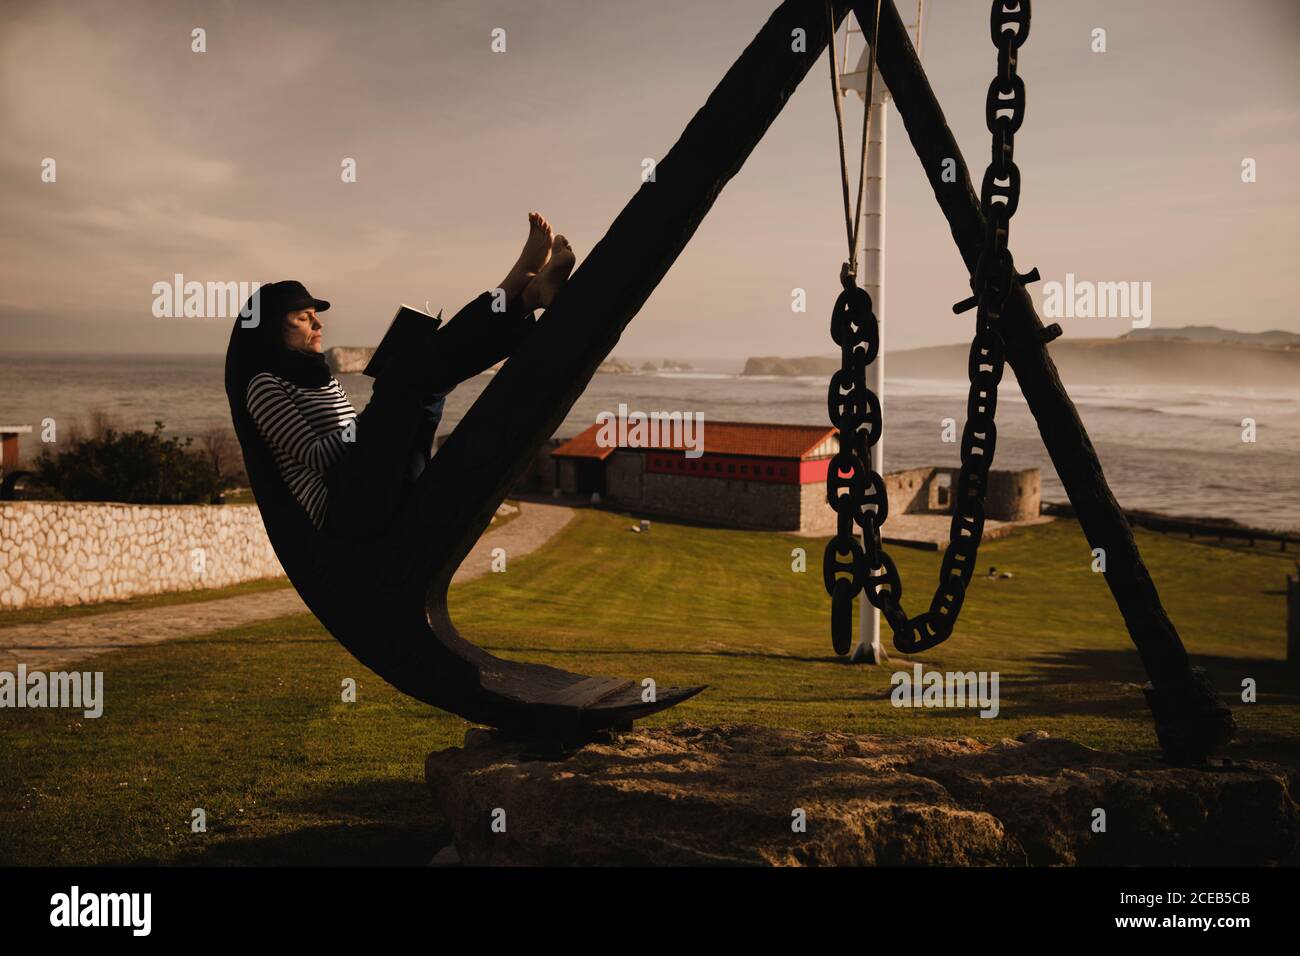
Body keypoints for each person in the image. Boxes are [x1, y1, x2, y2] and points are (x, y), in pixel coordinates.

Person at [224, 212, 575, 542]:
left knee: (428, 378)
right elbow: (317, 457)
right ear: (272, 329)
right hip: (344, 509)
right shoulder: (265, 386)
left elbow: (353, 433)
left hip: (369, 485)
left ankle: (526, 296)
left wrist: (376, 416)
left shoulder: (318, 377)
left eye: (315, 315)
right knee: (408, 375)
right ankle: (521, 290)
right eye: (302, 317)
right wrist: (375, 415)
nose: (318, 324)